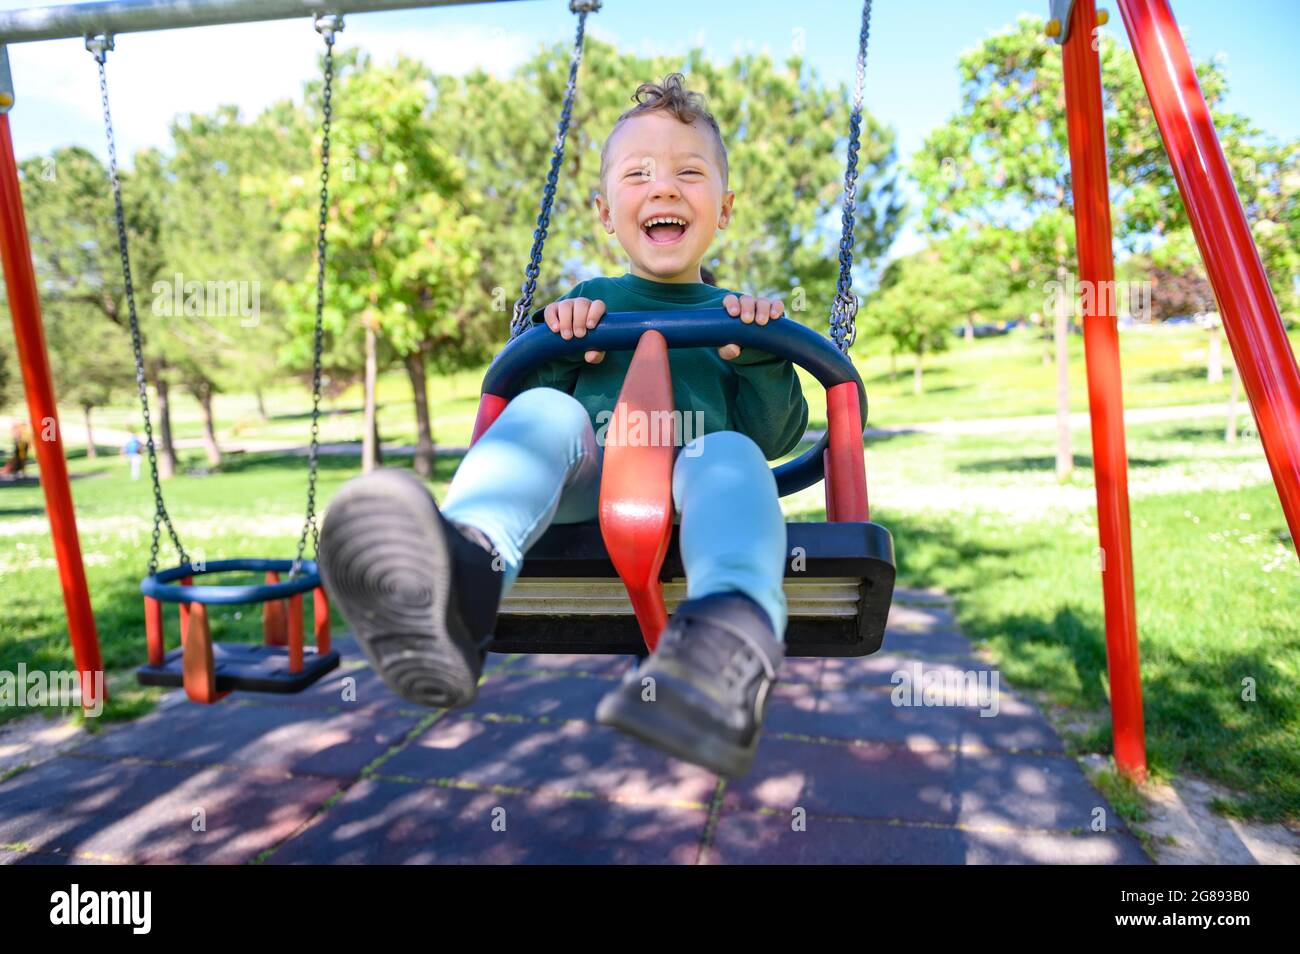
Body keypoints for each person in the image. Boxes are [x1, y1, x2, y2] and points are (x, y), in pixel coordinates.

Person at [318, 74, 807, 778]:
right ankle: (461, 574)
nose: (664, 188)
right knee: (550, 411)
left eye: (689, 173)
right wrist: (559, 346)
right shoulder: (588, 305)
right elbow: (527, 423)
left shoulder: (739, 316)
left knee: (730, 451)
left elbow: (777, 435)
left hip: (688, 496)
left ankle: (728, 635)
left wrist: (761, 357)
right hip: (589, 483)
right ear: (606, 213)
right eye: (638, 174)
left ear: (724, 208)